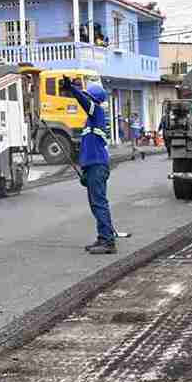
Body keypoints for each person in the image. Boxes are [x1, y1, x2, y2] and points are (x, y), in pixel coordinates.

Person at [63, 77, 116, 254]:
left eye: (88, 96)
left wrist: (73, 90)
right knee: (96, 204)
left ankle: (108, 242)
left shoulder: (97, 112)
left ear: (93, 99)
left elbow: (84, 102)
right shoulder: (91, 119)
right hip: (93, 166)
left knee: (99, 203)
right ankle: (103, 237)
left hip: (97, 166)